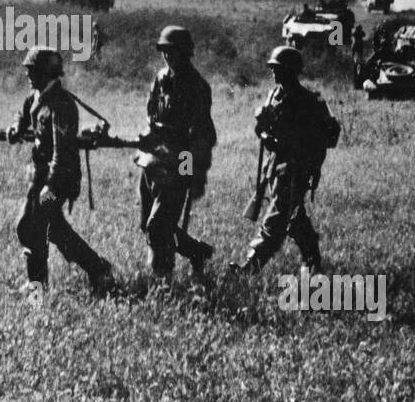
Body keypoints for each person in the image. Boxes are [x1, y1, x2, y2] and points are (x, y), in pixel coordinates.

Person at [9, 47, 114, 292]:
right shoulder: (37, 97)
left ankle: (37, 288)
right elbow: (22, 115)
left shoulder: (62, 104)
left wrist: (51, 186)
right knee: (52, 228)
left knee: (31, 225)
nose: (27, 75)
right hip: (41, 178)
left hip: (60, 181)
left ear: (46, 73)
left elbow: (62, 152)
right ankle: (98, 268)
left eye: (32, 70)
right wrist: (15, 128)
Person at [230, 45, 339, 278]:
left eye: (278, 68)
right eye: (272, 67)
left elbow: (327, 136)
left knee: (276, 219)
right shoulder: (274, 95)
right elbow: (264, 130)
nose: (273, 72)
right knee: (295, 218)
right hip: (274, 167)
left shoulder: (308, 101)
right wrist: (262, 129)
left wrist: (311, 164)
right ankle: (313, 260)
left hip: (296, 169)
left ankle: (250, 267)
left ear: (291, 71)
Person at [137, 27, 217, 280]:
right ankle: (197, 252)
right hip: (153, 161)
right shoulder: (160, 78)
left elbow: (203, 136)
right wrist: (148, 136)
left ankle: (162, 283)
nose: (168, 56)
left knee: (158, 227)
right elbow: (151, 115)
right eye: (164, 51)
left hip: (178, 162)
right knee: (148, 224)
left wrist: (191, 176)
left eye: (173, 51)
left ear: (185, 52)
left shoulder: (196, 86)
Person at [349, 24, 367, 90]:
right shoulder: (358, 41)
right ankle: (358, 84)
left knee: (358, 68)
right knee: (358, 68)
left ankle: (358, 84)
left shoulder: (356, 41)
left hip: (358, 54)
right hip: (358, 55)